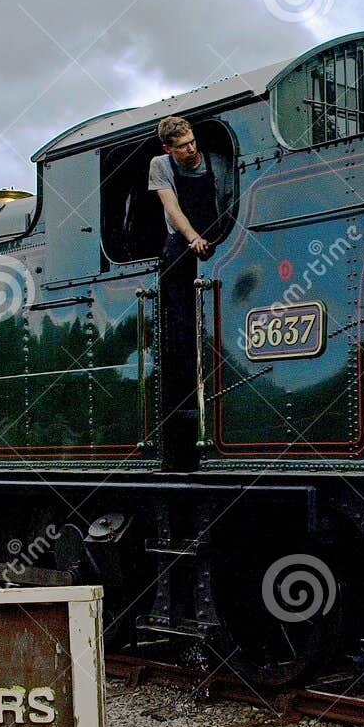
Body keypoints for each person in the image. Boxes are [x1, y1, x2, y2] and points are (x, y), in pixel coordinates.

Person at [148, 115, 223, 466]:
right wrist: (193, 237)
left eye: (192, 142)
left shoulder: (214, 161)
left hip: (217, 236)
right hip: (183, 242)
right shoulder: (160, 166)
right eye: (182, 146)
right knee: (180, 325)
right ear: (168, 149)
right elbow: (171, 207)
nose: (190, 149)